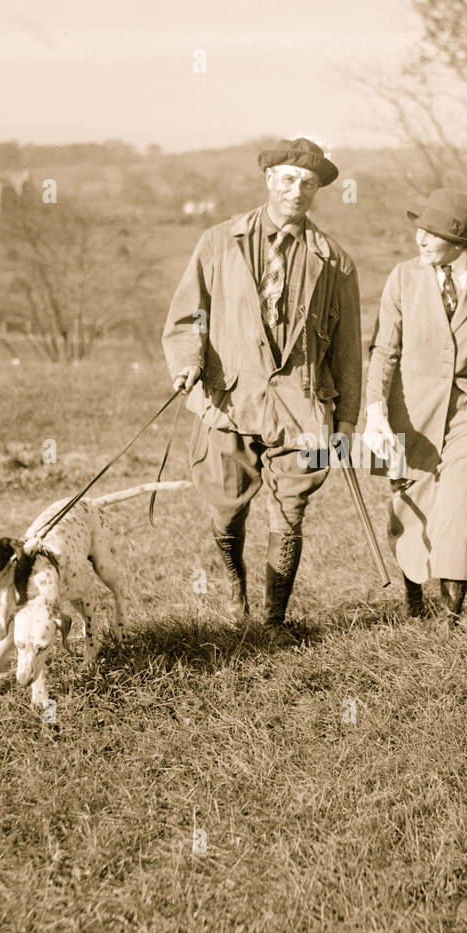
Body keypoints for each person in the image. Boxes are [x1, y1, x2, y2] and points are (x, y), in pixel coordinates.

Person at [162, 137, 361, 626]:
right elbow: (189, 315)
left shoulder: (335, 261)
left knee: (290, 512)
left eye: (309, 184)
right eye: (289, 179)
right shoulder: (218, 242)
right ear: (270, 179)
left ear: (317, 191)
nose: (297, 190)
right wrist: (187, 361)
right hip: (227, 400)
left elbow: (349, 349)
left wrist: (347, 420)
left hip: (305, 405)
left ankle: (272, 622)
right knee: (225, 511)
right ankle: (236, 595)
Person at [363, 188, 467, 626]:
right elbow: (384, 350)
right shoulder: (402, 279)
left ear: (458, 241)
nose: (420, 239)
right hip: (410, 414)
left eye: (431, 233)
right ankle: (414, 604)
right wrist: (375, 410)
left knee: (456, 505)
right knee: (410, 506)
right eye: (419, 229)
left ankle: (450, 620)